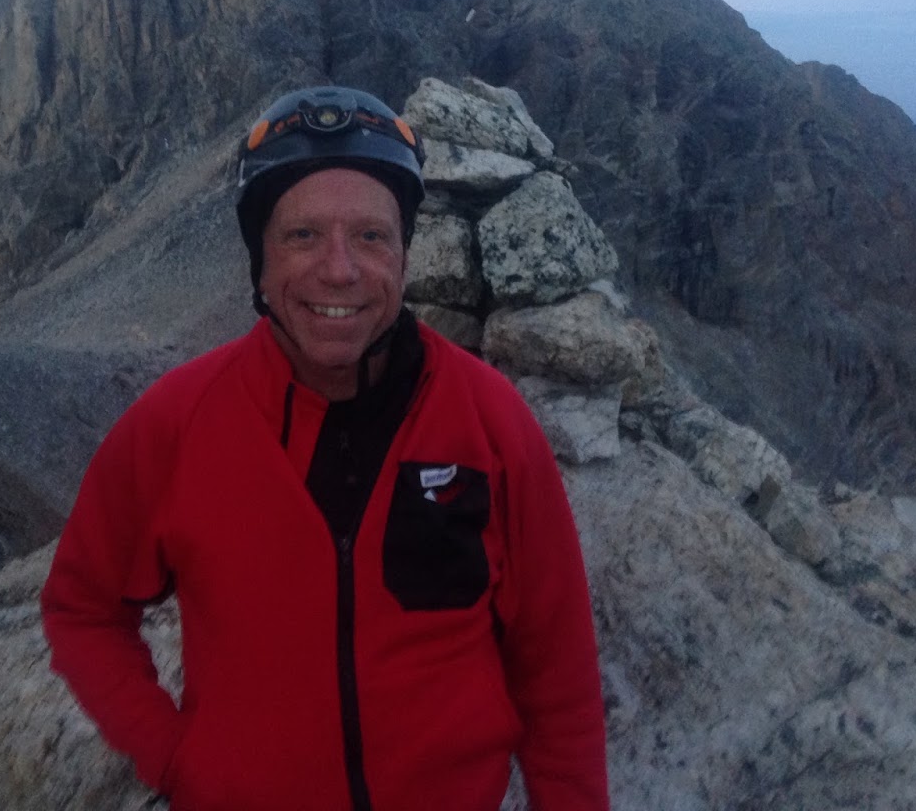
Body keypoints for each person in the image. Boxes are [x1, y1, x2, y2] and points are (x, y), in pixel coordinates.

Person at [41, 85, 610, 811]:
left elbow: (557, 673)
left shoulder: (491, 423)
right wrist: (178, 759)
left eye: (371, 236)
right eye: (302, 235)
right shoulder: (177, 425)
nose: (339, 270)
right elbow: (83, 607)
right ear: (259, 261)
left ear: (405, 255)